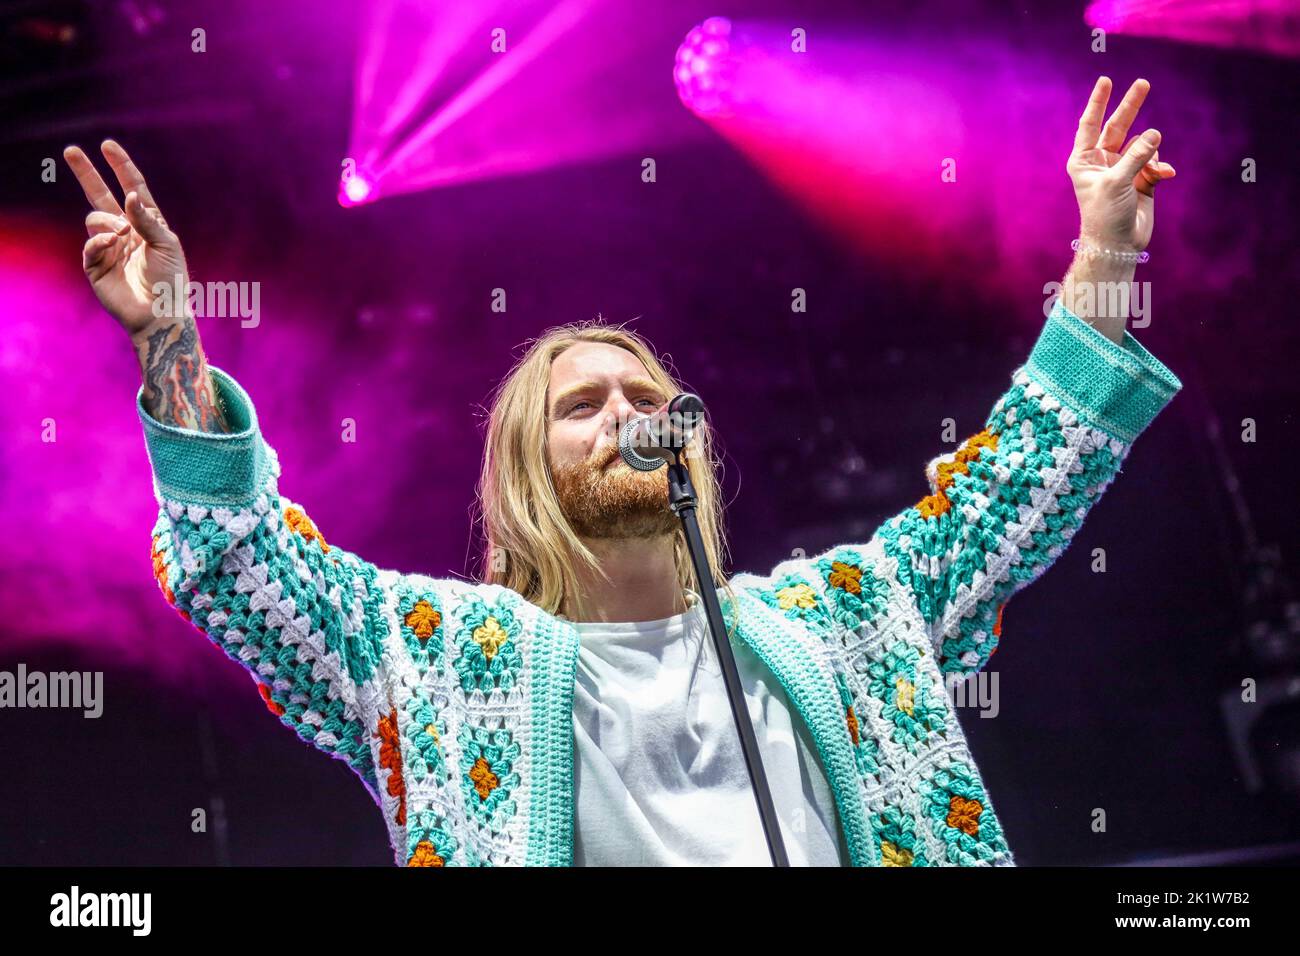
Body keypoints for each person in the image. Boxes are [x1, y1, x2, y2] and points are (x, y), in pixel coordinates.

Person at [64, 76, 1180, 866]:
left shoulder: (844, 616)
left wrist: (1107, 254)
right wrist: (172, 338)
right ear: (521, 476)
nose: (627, 416)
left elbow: (1019, 486)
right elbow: (235, 560)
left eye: (648, 399)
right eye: (583, 406)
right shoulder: (429, 658)